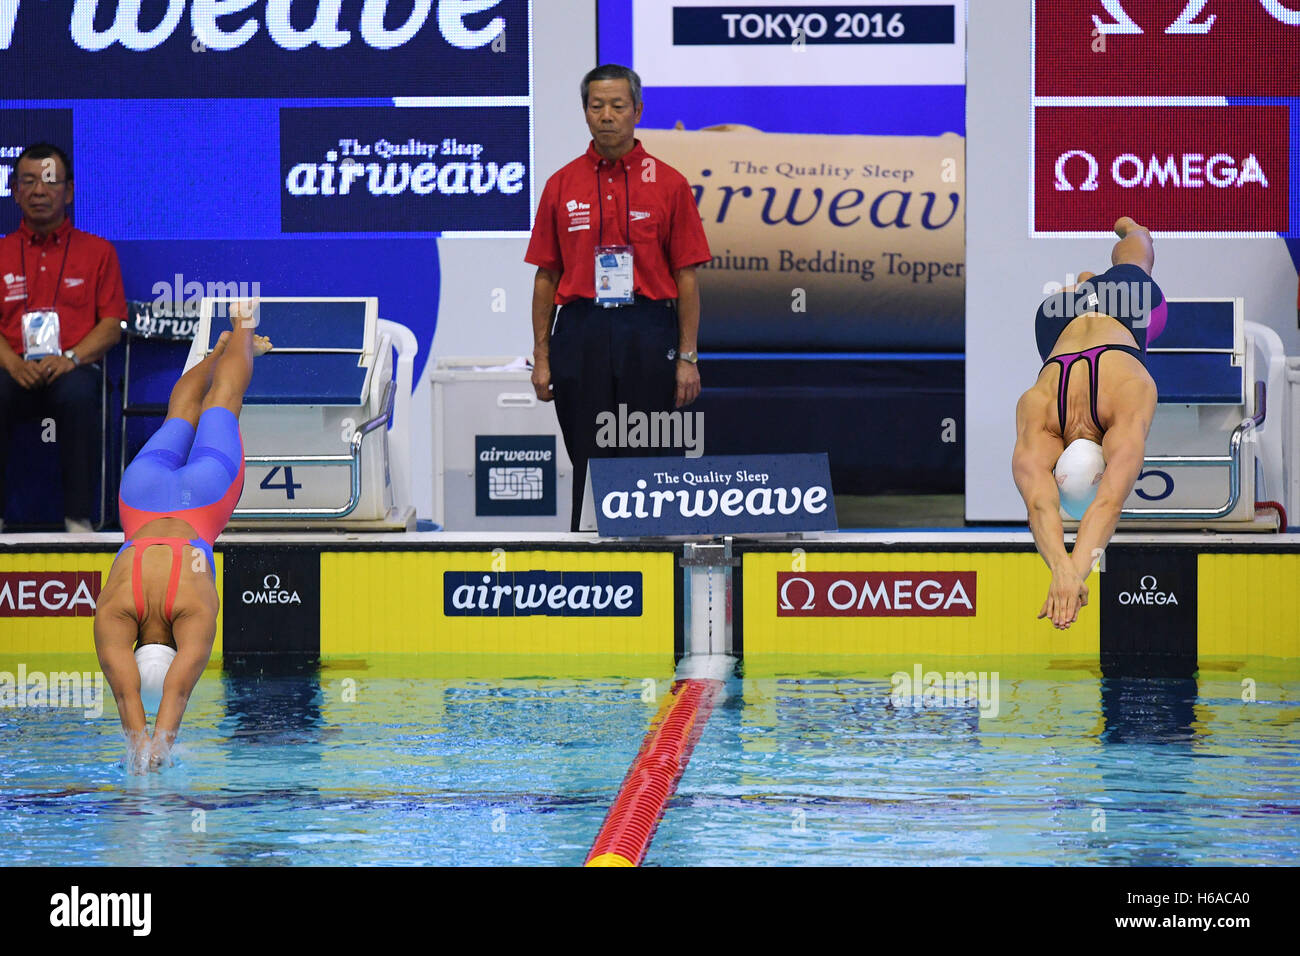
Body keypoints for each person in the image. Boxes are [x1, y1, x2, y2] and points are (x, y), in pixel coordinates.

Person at [526, 64, 712, 530]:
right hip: (582, 331)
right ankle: (589, 565)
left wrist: (687, 355)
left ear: (637, 111)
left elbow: (686, 276)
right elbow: (547, 277)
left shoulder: (669, 184)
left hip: (648, 330)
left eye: (618, 106)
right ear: (585, 113)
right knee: (588, 454)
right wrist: (542, 355)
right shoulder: (561, 185)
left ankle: (658, 557)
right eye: (596, 106)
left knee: (651, 451)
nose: (606, 115)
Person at [94, 302, 270, 772]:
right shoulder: (113, 617)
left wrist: (156, 750)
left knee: (223, 402)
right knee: (181, 412)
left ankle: (242, 329)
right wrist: (143, 744)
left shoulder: (195, 612)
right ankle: (223, 345)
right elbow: (127, 694)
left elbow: (178, 690)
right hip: (141, 498)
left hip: (203, 502)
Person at [1013, 217, 1166, 630]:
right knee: (1092, 284)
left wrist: (1068, 575)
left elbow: (1102, 504)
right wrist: (1066, 573)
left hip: (1121, 309)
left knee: (1139, 252)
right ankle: (1100, 264)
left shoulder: (1127, 400)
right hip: (1056, 318)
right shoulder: (1038, 408)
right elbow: (1046, 506)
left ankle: (1133, 232)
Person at [0, 143, 125, 532]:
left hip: (72, 367)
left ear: (68, 191)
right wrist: (12, 364)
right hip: (12, 368)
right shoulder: (1, 252)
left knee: (79, 395)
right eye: (29, 181)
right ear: (15, 190)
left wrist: (70, 357)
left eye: (50, 181)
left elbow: (112, 324)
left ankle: (78, 518)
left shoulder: (97, 251)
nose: (39, 190)